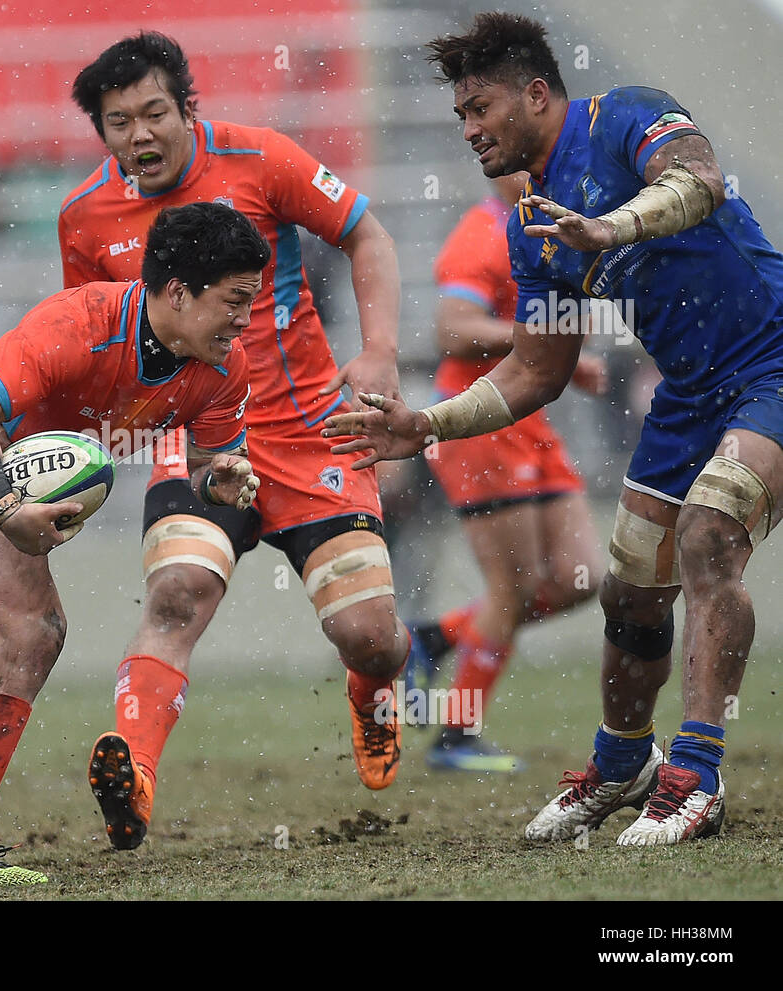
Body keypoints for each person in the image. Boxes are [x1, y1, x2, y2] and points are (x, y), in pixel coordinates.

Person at [324, 12, 783, 845]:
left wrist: (613, 227)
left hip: (772, 363)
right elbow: (537, 369)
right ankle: (618, 764)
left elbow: (702, 181)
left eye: (480, 109)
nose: (468, 130)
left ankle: (697, 774)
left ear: (536, 94)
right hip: (687, 397)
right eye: (461, 115)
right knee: (627, 596)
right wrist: (422, 421)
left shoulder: (626, 116)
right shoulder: (530, 223)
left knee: (711, 532)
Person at [56, 31, 407, 851]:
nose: (138, 135)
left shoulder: (261, 158)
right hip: (196, 435)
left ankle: (371, 688)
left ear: (188, 108)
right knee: (178, 591)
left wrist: (381, 349)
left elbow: (368, 235)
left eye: (153, 113)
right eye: (117, 122)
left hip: (310, 428)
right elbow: (96, 335)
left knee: (371, 636)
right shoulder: (83, 217)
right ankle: (133, 775)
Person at [0, 201, 267, 885]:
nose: (245, 319)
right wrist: (9, 507)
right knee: (35, 631)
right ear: (176, 292)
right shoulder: (82, 322)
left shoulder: (224, 367)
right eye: (234, 301)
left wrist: (220, 480)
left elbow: (206, 467)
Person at [405, 171, 607, 772]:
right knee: (512, 589)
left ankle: (434, 637)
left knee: (580, 577)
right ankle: (455, 735)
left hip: (528, 419)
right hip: (479, 420)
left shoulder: (544, 231)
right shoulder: (482, 233)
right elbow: (450, 329)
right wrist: (537, 341)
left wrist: (566, 358)